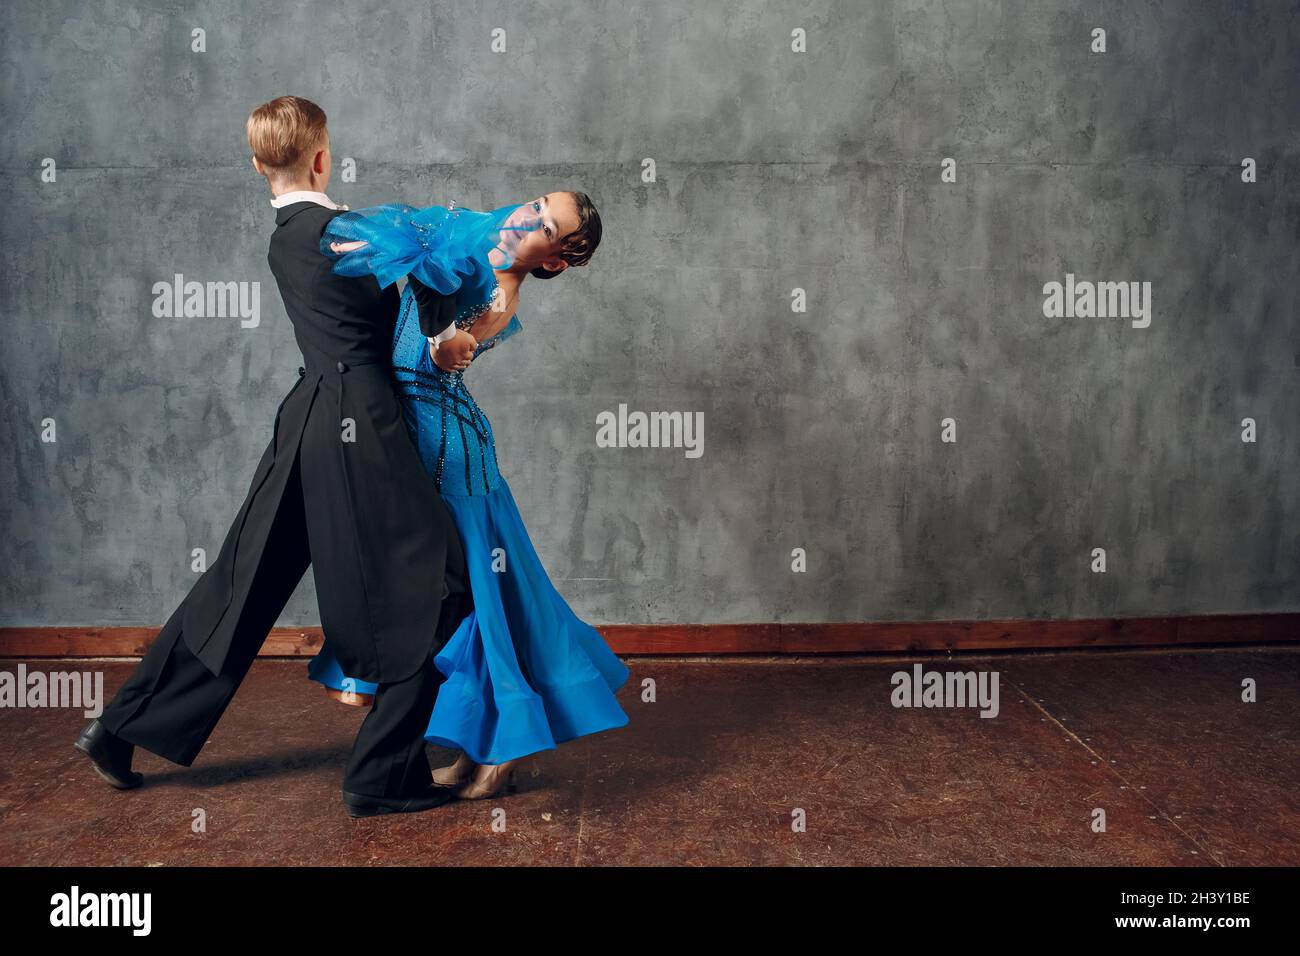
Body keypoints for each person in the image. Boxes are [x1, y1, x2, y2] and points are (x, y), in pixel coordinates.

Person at [75, 95, 475, 818]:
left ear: (259, 165)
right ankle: (383, 772)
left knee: (241, 585)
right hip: (361, 423)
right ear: (323, 155)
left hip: (309, 422)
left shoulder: (290, 235)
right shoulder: (349, 234)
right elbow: (434, 280)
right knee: (443, 579)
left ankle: (118, 727)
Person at [306, 192, 630, 800]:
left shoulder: (499, 298)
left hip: (448, 453)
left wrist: (446, 340)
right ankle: (480, 742)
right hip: (419, 438)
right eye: (536, 204)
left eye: (547, 226)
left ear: (554, 261)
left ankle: (503, 747)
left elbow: (441, 349)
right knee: (461, 598)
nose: (529, 217)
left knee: (477, 598)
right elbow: (401, 254)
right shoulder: (459, 246)